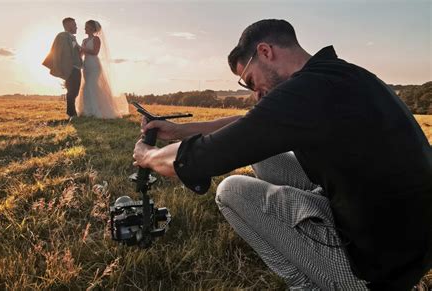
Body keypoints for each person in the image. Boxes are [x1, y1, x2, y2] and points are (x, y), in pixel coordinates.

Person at [133, 19, 432, 290]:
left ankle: (310, 285)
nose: (256, 94)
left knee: (232, 190)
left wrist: (147, 156)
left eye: (250, 82)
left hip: (376, 271)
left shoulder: (305, 92)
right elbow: (252, 123)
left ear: (265, 51)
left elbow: (204, 158)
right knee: (263, 156)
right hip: (409, 242)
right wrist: (178, 131)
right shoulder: (337, 76)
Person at [75, 20, 129, 118]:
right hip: (86, 65)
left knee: (92, 85)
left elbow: (95, 52)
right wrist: (77, 53)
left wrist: (81, 48)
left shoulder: (96, 39)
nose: (85, 28)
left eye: (86, 27)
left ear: (92, 28)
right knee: (86, 86)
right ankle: (87, 110)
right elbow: (82, 54)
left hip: (94, 65)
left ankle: (97, 111)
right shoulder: (84, 41)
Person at [43, 17, 82, 120]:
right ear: (68, 26)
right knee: (72, 91)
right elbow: (59, 52)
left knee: (76, 91)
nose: (76, 27)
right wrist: (65, 69)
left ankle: (72, 113)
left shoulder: (72, 37)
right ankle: (71, 114)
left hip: (77, 68)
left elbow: (76, 51)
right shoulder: (62, 36)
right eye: (74, 25)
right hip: (70, 68)